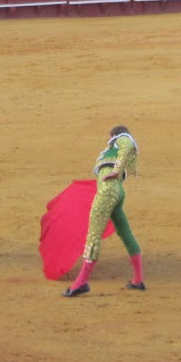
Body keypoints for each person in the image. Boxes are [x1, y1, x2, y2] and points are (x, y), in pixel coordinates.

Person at [64, 124, 144, 297]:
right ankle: (138, 280)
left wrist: (115, 171)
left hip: (108, 190)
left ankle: (81, 283)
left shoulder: (121, 139)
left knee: (94, 234)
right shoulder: (114, 148)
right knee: (125, 232)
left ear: (115, 134)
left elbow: (128, 145)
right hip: (117, 191)